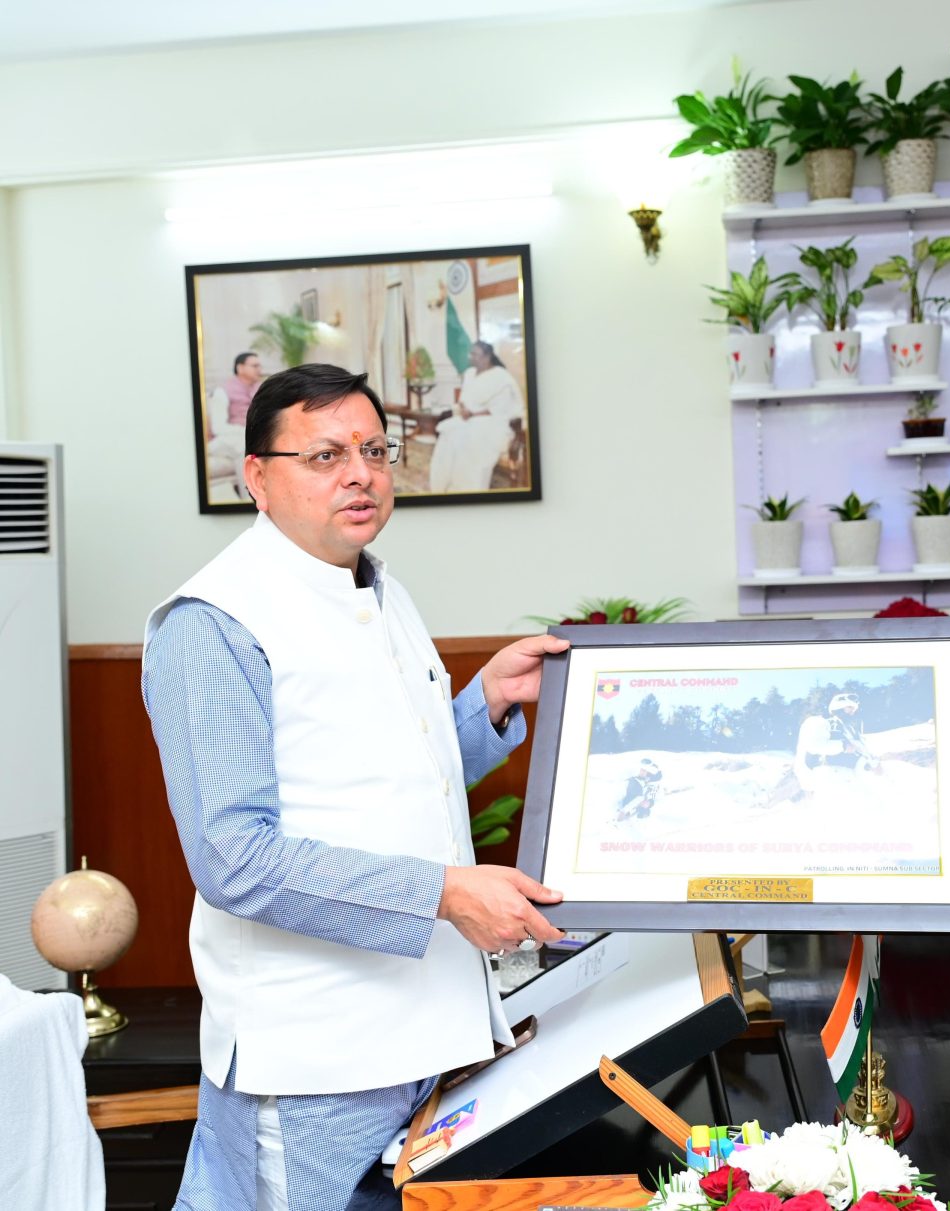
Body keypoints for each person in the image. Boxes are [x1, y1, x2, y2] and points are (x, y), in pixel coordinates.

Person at [142, 362, 567, 1210]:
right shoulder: (214, 622)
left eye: (374, 449)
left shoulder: (373, 583)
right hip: (315, 1061)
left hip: (423, 1036)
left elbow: (381, 774)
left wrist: (483, 701)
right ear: (257, 477)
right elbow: (235, 859)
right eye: (326, 454)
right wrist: (446, 893)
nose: (361, 473)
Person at [428, 340, 523, 492]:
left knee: (469, 440)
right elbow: (463, 399)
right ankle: (444, 487)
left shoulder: (501, 377)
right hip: (468, 418)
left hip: (492, 421)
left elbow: (500, 409)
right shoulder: (469, 373)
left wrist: (473, 414)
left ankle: (468, 491)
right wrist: (464, 409)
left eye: (475, 354)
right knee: (448, 433)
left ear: (487, 357)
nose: (470, 357)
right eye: (470, 353)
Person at [206, 352, 265, 488]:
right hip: (225, 439)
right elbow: (218, 428)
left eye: (259, 365)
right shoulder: (223, 391)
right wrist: (245, 431)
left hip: (250, 437)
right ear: (240, 368)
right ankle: (249, 499)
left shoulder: (261, 389)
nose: (259, 369)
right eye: (254, 366)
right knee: (242, 448)